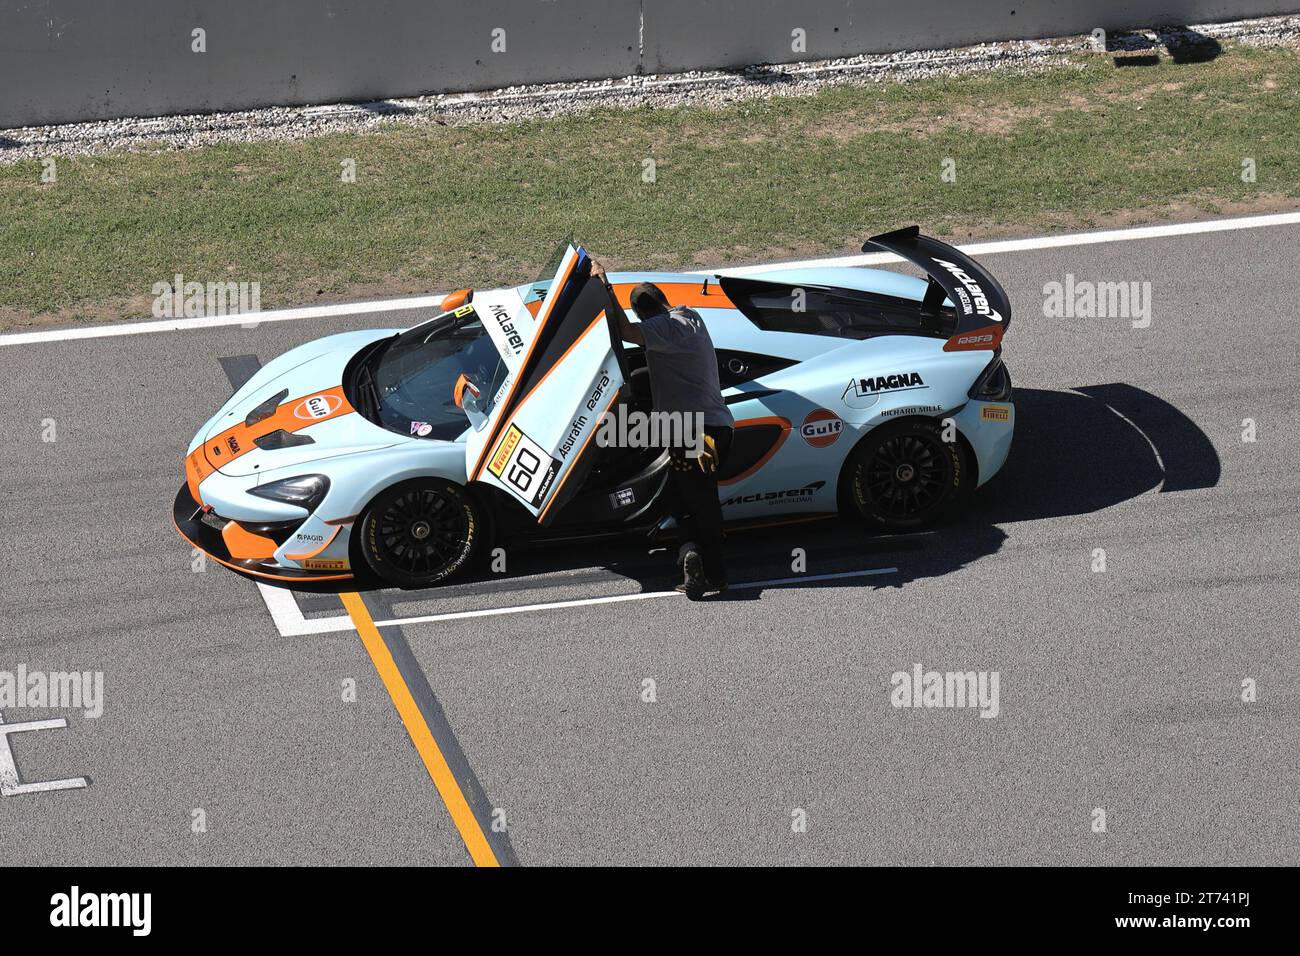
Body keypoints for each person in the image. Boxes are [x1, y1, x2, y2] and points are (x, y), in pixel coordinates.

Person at [590, 259, 733, 597]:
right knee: (680, 499)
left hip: (693, 431)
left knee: (700, 506)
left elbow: (626, 332)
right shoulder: (691, 317)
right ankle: (692, 557)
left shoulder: (663, 328)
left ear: (644, 315)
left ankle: (716, 575)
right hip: (715, 427)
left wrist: (605, 286)